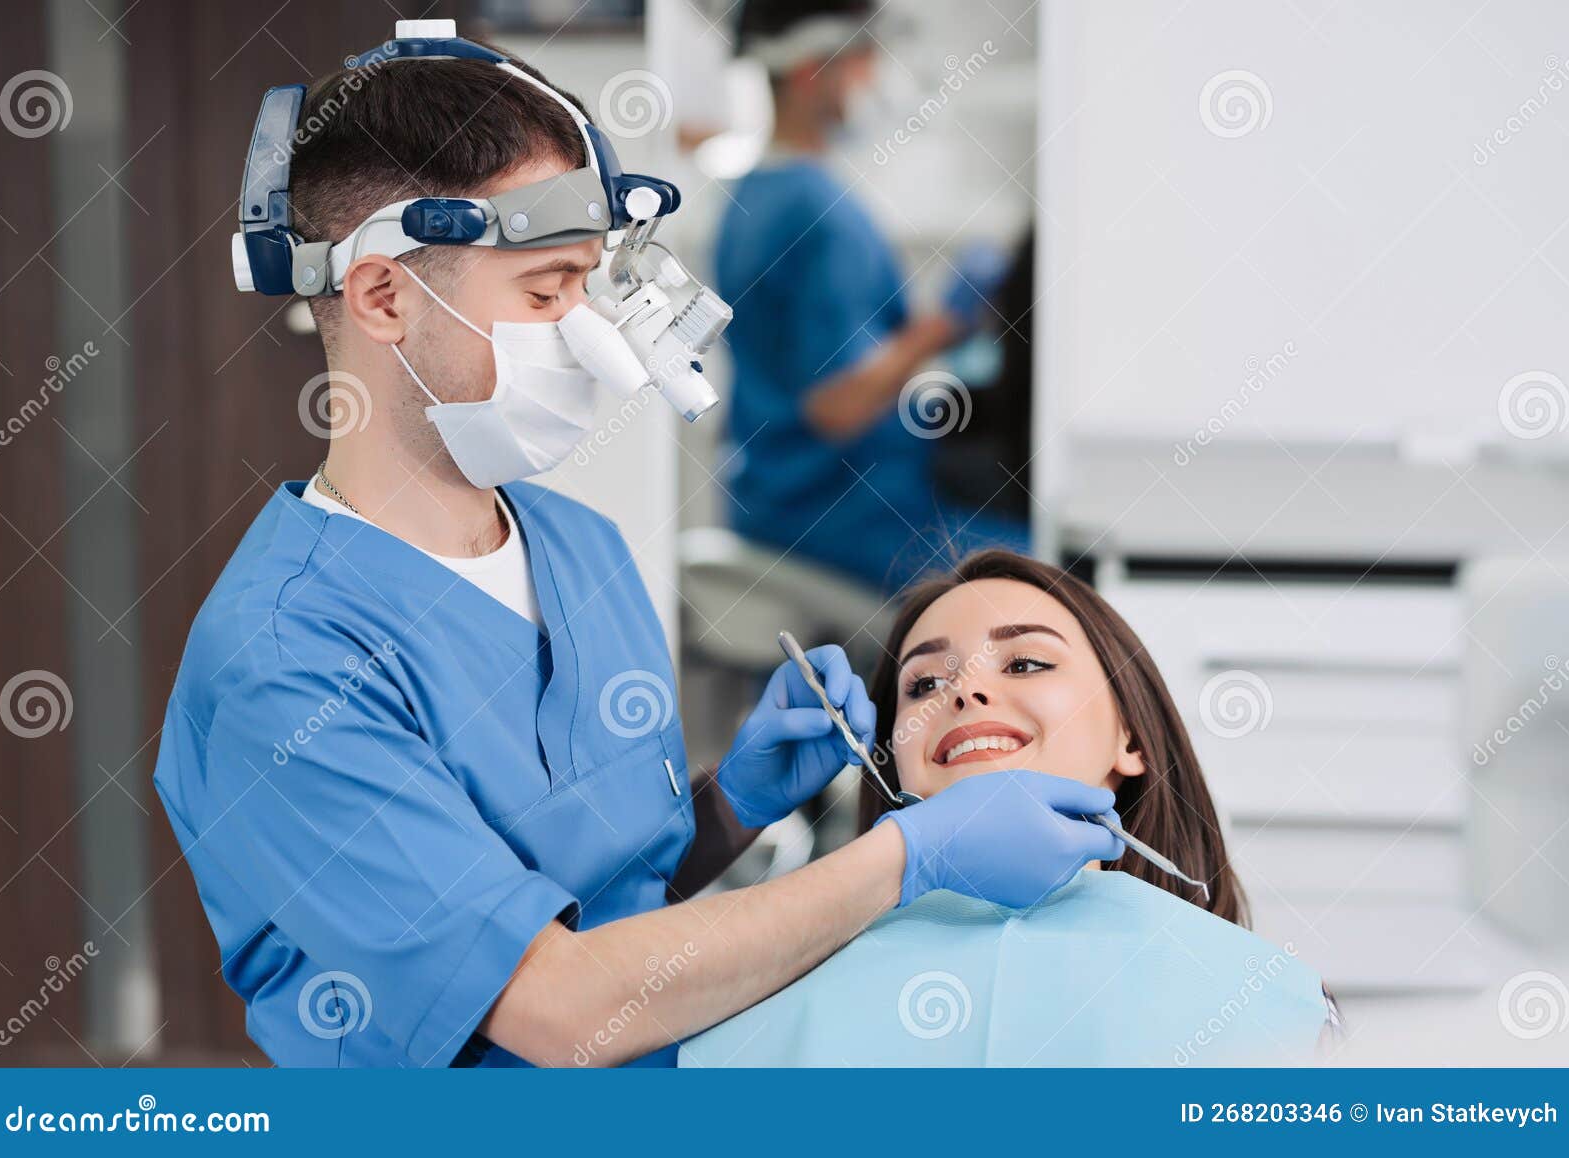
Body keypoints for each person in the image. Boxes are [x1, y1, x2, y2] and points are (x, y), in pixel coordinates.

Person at [151, 22, 1125, 1069]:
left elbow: (610, 904)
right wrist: (906, 857)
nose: (591, 342)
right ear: (384, 297)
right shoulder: (285, 663)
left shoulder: (579, 549)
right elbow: (556, 1006)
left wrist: (730, 808)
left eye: (586, 286)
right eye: (541, 294)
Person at [681, 550, 1337, 1065]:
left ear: (1132, 737)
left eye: (1024, 664)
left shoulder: (1263, 1002)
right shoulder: (752, 989)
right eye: (925, 684)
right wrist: (726, 810)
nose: (964, 692)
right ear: (891, 754)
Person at [715, 0, 1028, 594]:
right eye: (864, 61)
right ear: (813, 70)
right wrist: (947, 325)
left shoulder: (754, 193)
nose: (876, 79)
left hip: (778, 502)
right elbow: (836, 405)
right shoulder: (815, 208)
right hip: (843, 517)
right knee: (1052, 576)